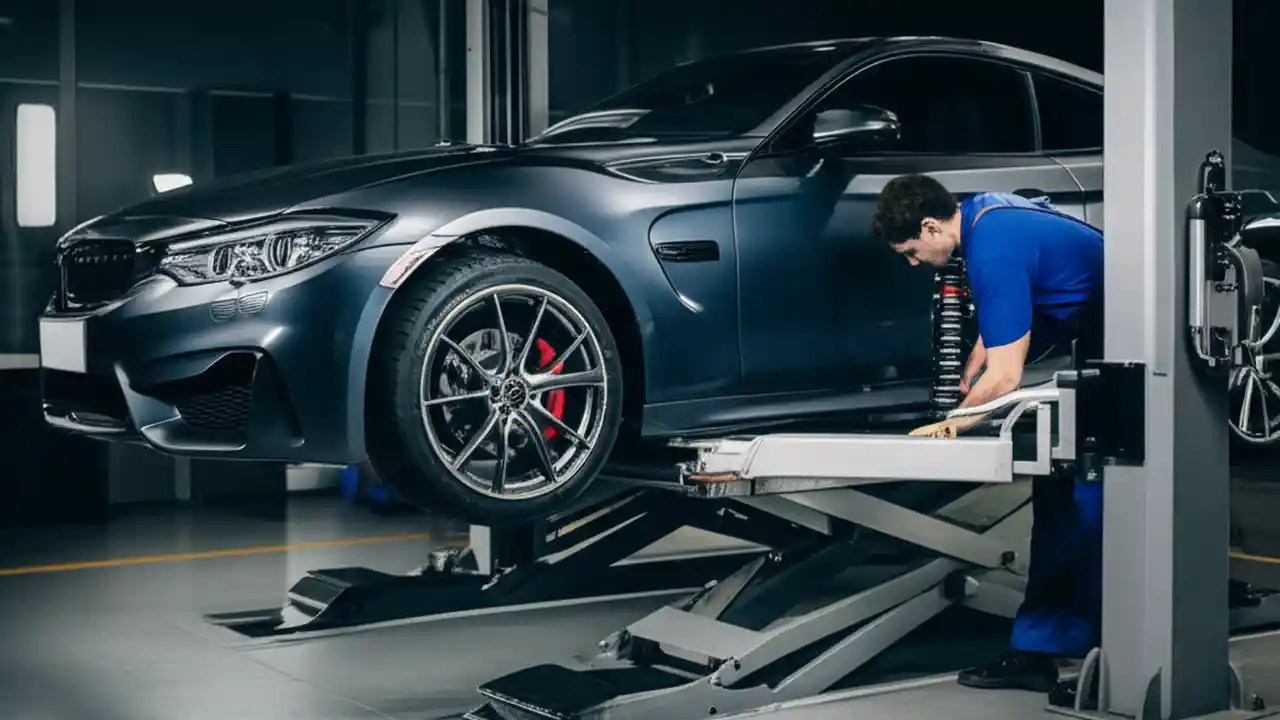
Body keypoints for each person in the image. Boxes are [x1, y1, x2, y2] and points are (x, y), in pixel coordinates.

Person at [871, 173, 1104, 706]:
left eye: (910, 250)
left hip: (1135, 351)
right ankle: (1043, 650)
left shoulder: (991, 249)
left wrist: (953, 423)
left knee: (1086, 502)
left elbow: (1005, 379)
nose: (913, 262)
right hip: (1109, 341)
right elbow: (1023, 308)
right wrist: (981, 348)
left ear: (930, 226)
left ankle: (1102, 654)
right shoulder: (984, 214)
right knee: (1064, 492)